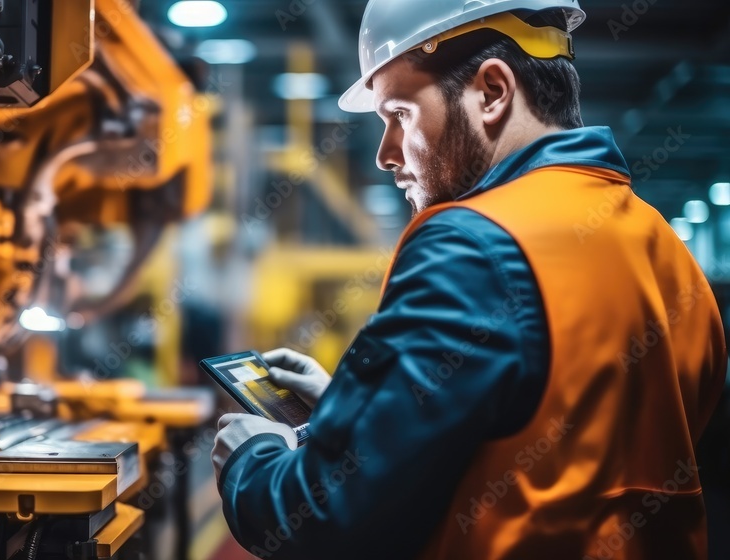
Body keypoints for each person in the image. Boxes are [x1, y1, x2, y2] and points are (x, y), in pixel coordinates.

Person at [210, 0, 728, 558]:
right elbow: (556, 443)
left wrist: (253, 458)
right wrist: (355, 409)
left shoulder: (473, 245)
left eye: (399, 114)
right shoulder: (664, 250)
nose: (386, 154)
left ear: (492, 92)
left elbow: (321, 520)